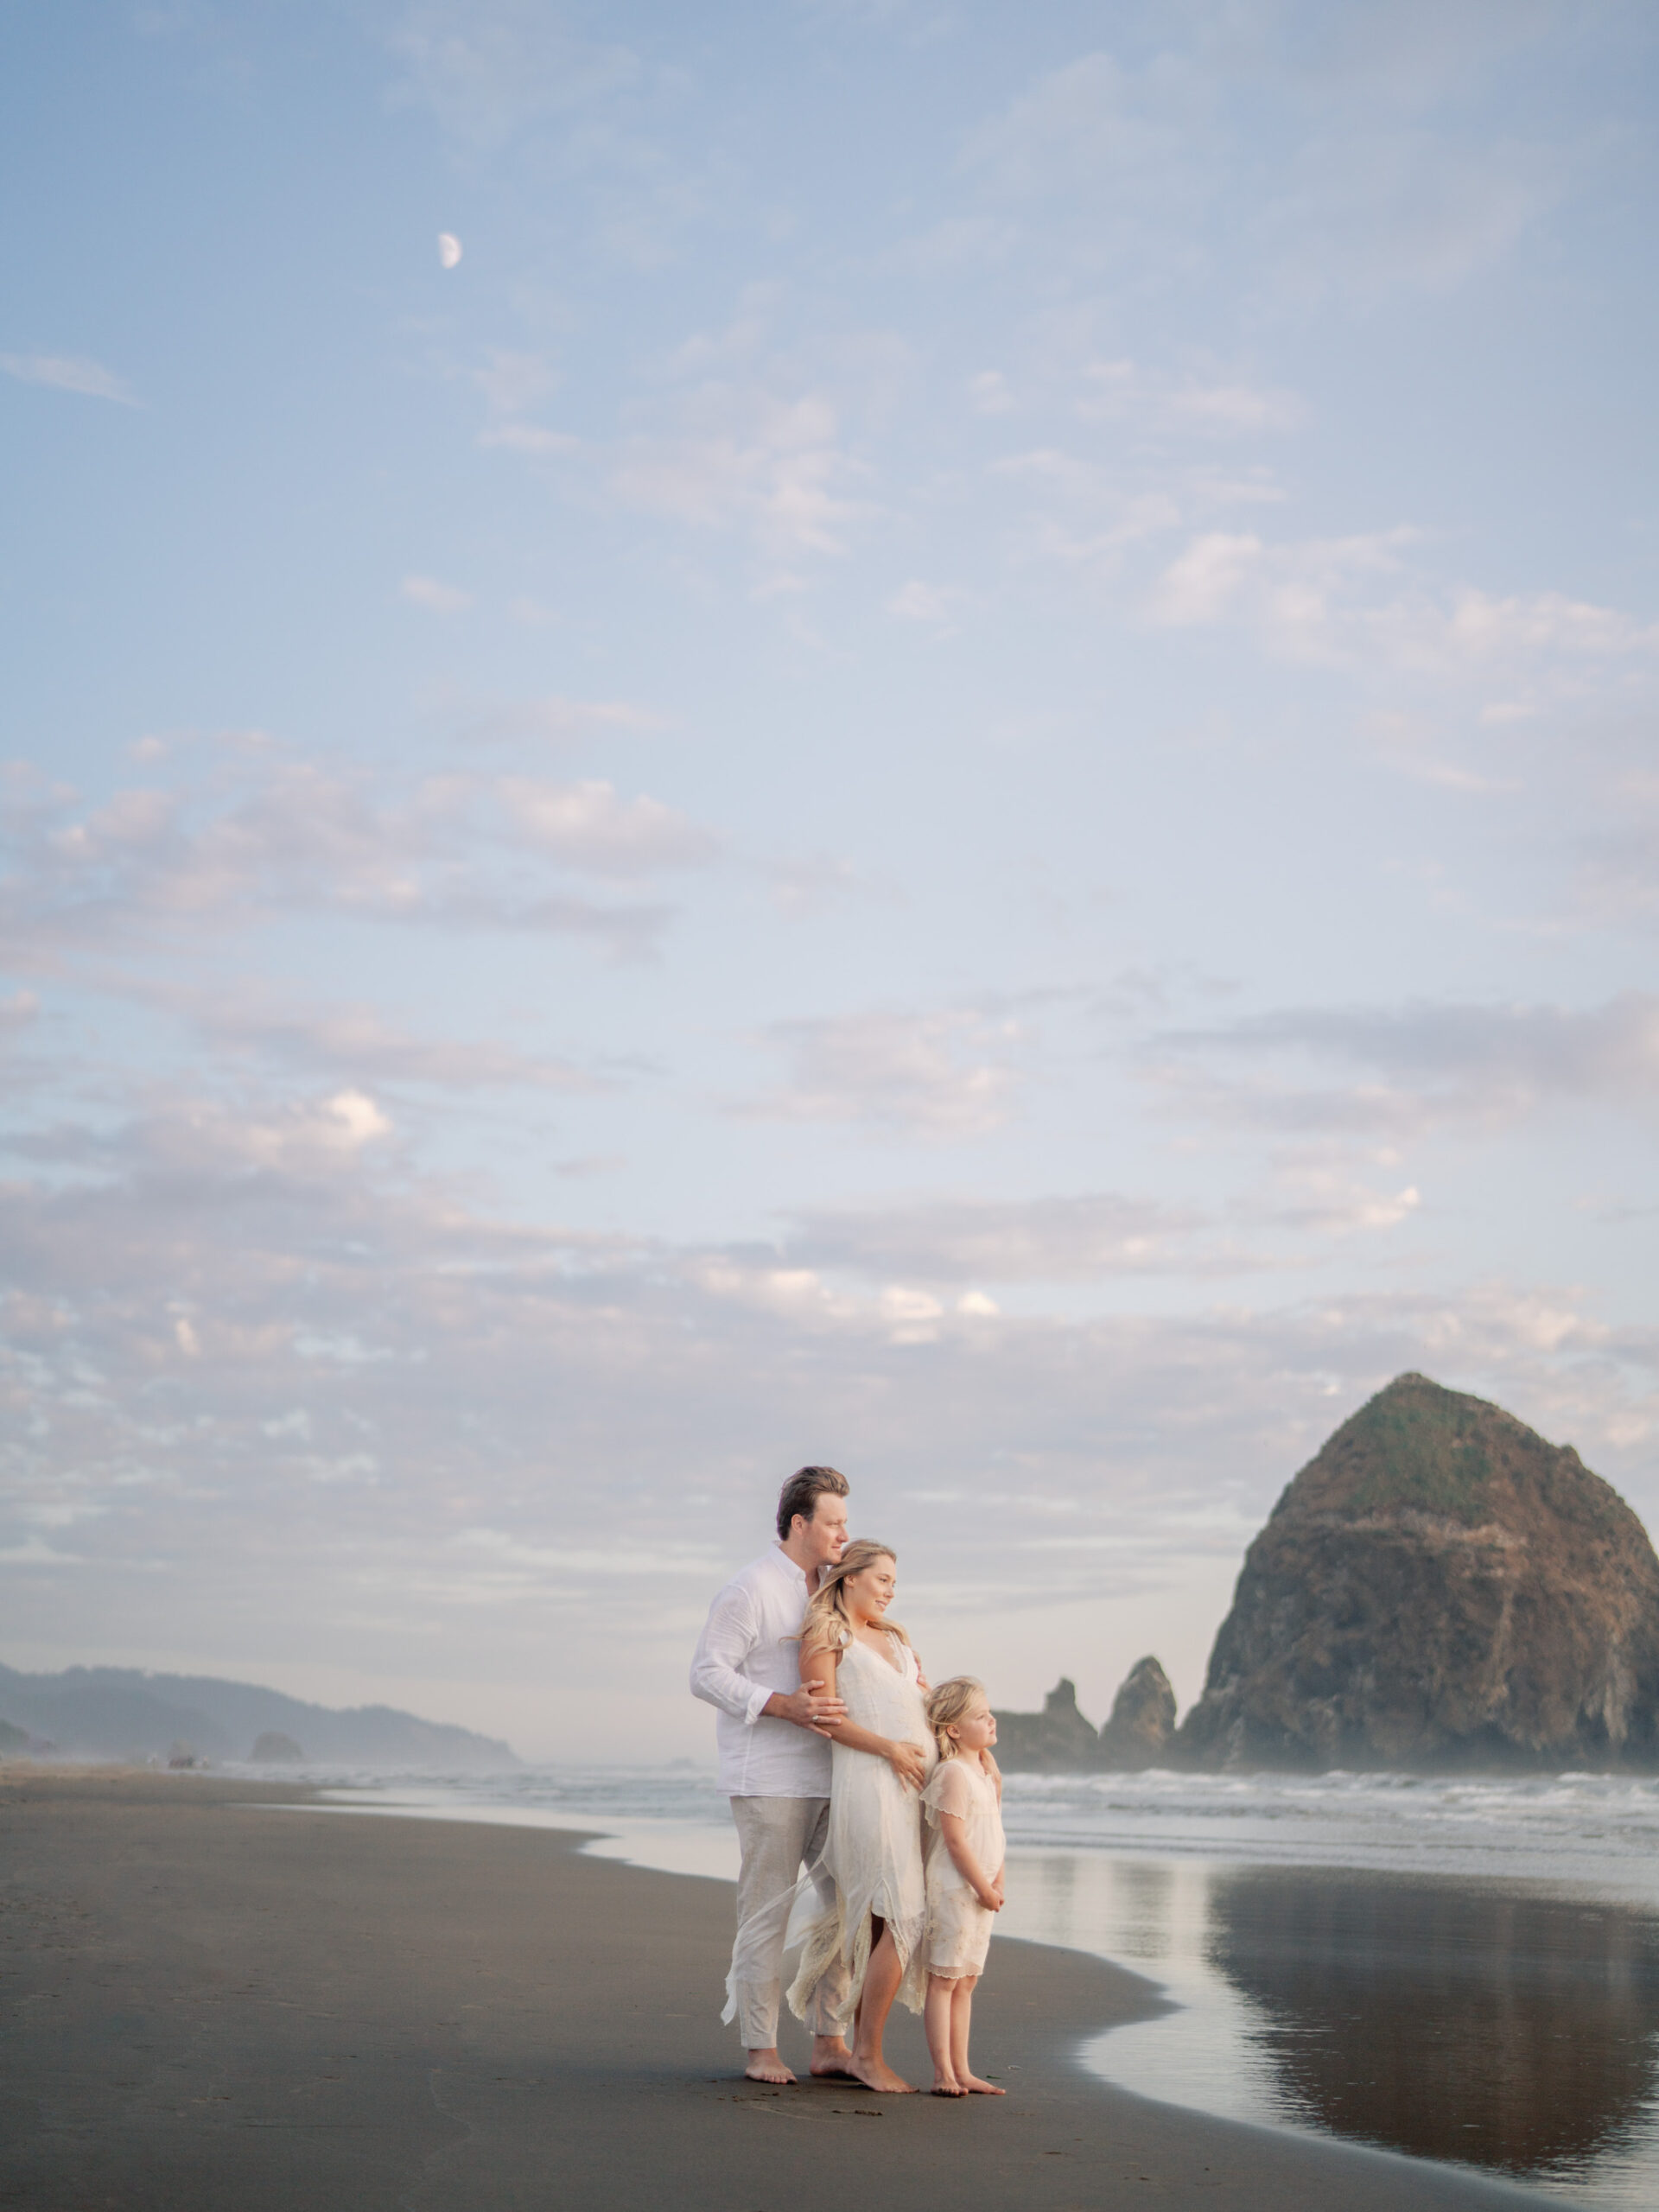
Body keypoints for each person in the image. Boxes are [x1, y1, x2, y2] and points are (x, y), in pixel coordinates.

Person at [690, 1465, 855, 2086]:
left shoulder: (833, 1589)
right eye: (834, 1522)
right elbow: (706, 1673)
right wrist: (781, 1705)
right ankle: (761, 2048)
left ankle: (829, 2039)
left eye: (846, 1521)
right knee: (767, 1912)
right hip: (768, 1778)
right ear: (798, 1523)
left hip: (835, 1773)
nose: (844, 1532)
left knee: (846, 1906)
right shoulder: (750, 1589)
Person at [786, 1540, 934, 2094]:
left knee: (884, 1921)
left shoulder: (896, 1639)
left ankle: (848, 2047)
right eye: (883, 1579)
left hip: (913, 1789)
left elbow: (923, 1703)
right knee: (902, 1915)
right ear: (849, 1578)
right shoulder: (828, 1633)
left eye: (896, 1582)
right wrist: (890, 1750)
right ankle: (867, 2055)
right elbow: (824, 1718)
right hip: (871, 1784)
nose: (892, 1590)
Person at [920, 1676, 1006, 2096]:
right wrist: (983, 1887)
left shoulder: (986, 1772)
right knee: (945, 1979)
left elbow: (994, 1830)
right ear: (953, 1729)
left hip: (981, 1889)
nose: (991, 1720)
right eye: (980, 1715)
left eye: (990, 1713)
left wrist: (998, 1879)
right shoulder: (953, 1773)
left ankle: (963, 2068)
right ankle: (943, 2073)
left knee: (967, 1979)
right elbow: (955, 1840)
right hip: (956, 1888)